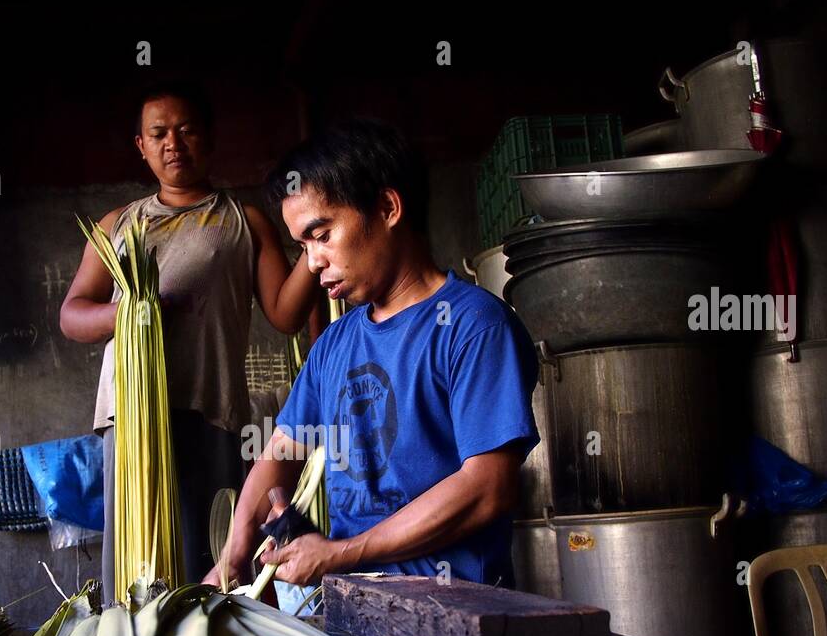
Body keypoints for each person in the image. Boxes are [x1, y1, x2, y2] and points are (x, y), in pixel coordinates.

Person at [205, 118, 539, 592]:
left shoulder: (473, 325)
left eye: (322, 235)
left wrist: (338, 555)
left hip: (456, 613)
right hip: (354, 609)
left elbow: (488, 488)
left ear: (387, 207)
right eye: (302, 245)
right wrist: (233, 557)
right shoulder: (334, 345)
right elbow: (280, 453)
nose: (313, 261)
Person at [59, 80, 322, 601]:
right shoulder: (119, 225)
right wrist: (132, 313)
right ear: (141, 145)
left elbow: (285, 313)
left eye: (186, 130)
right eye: (158, 133)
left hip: (212, 408)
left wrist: (317, 246)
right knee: (137, 557)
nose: (172, 143)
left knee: (213, 552)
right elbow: (71, 316)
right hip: (133, 415)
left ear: (209, 138)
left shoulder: (243, 221)